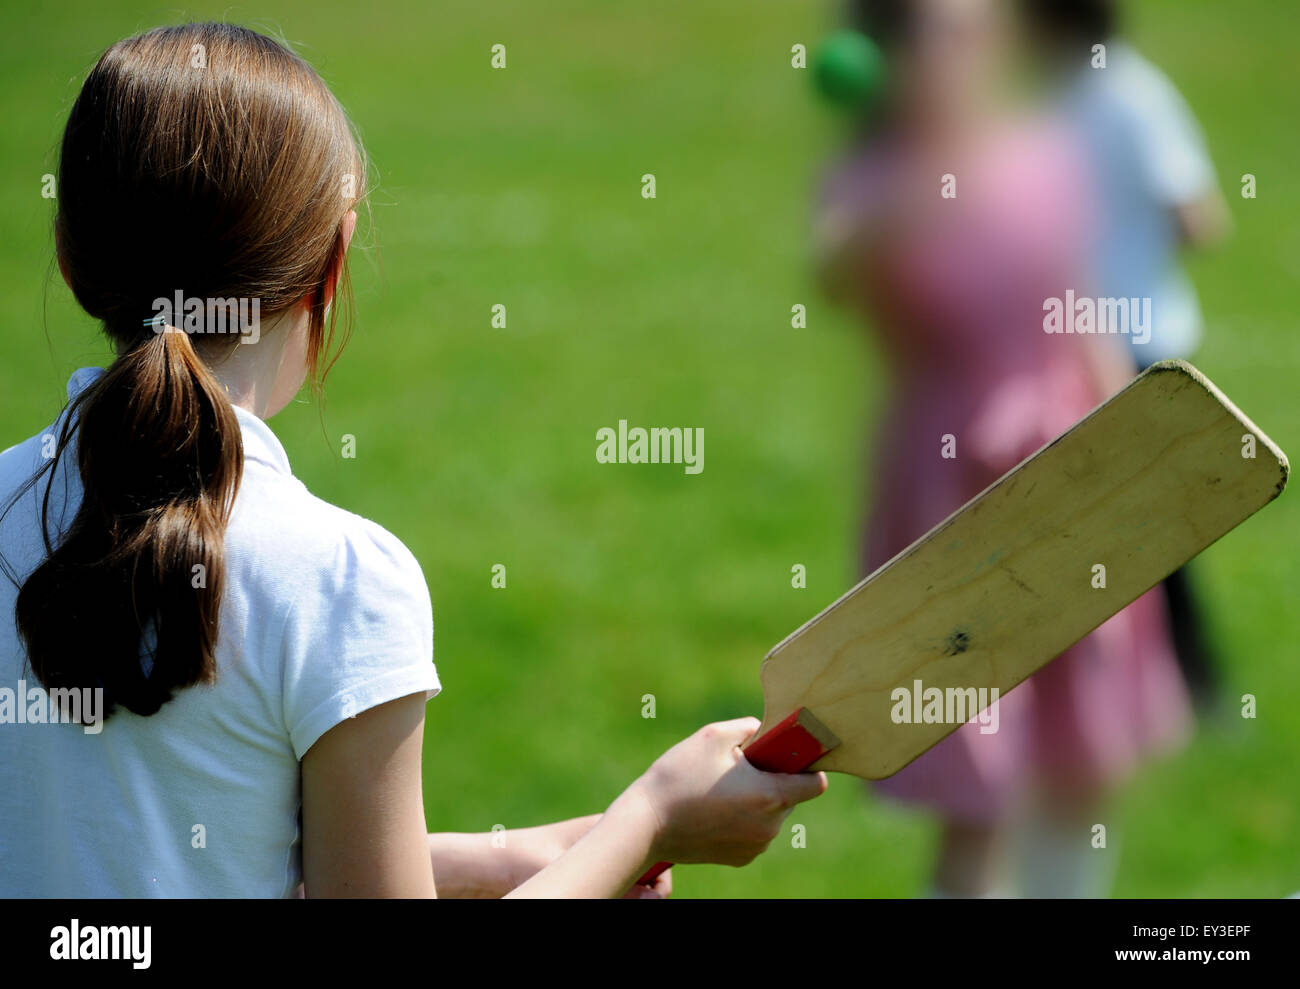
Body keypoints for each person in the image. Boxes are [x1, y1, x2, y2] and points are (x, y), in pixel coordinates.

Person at [0, 23, 826, 898]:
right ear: (330, 263)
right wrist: (648, 818)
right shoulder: (339, 582)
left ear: (68, 254)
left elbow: (207, 835)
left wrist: (515, 857)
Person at [815, 0, 1192, 897]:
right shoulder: (871, 181)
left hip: (1068, 458)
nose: (968, 50)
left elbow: (1083, 307)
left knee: (1082, 754)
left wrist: (1126, 438)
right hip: (949, 475)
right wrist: (930, 175)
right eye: (943, 33)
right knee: (978, 769)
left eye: (976, 28)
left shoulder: (1044, 154)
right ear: (889, 54)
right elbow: (842, 279)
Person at [1021, 0, 1232, 714]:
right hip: (1108, 339)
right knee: (1129, 524)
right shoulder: (1114, 95)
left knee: (1145, 530)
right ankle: (1135, 687)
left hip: (1132, 348)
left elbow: (1198, 212)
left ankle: (1187, 687)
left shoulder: (1108, 98)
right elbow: (1198, 220)